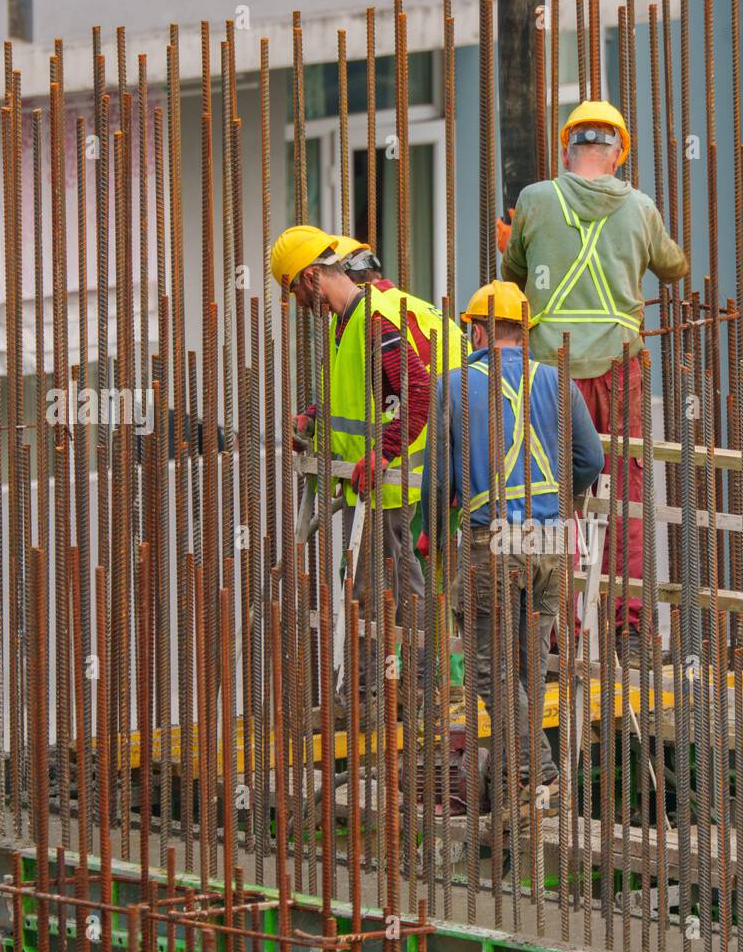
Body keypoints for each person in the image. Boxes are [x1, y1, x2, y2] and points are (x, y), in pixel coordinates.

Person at [501, 100, 687, 665]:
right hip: (619, 365)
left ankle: (552, 631)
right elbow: (674, 267)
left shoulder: (535, 200)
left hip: (548, 373)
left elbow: (510, 276)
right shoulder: (639, 205)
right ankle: (630, 634)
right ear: (618, 153)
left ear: (567, 149)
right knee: (625, 492)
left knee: (551, 494)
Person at [422, 279, 603, 807]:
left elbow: (436, 484)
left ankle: (536, 769)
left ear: (478, 329)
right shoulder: (558, 382)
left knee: (489, 670)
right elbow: (590, 460)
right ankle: (517, 778)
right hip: (551, 543)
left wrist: (434, 524)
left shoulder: (451, 385)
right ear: (525, 330)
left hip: (492, 544)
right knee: (524, 666)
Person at [269, 224, 465, 629]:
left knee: (382, 590)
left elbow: (420, 392)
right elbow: (358, 394)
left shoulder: (374, 319)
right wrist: (314, 416)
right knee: (386, 583)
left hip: (391, 475)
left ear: (310, 276)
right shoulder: (347, 321)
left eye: (296, 292)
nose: (300, 303)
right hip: (376, 476)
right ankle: (403, 681)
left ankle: (387, 685)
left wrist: (384, 452)